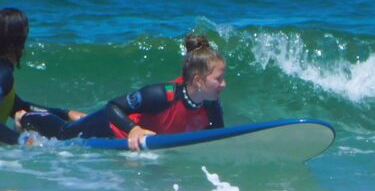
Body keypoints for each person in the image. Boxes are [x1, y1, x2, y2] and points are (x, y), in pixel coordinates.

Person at [19, 38, 226, 151]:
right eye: (218, 79)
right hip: (111, 127)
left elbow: (216, 139)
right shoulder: (162, 95)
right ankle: (25, 115)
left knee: (79, 121)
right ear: (198, 81)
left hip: (123, 130)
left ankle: (74, 114)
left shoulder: (210, 105)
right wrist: (134, 129)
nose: (223, 84)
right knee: (65, 133)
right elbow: (113, 107)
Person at [0, 7, 85, 145]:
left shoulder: (4, 73)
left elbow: (19, 107)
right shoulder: (3, 73)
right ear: (19, 41)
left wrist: (66, 114)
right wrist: (22, 141)